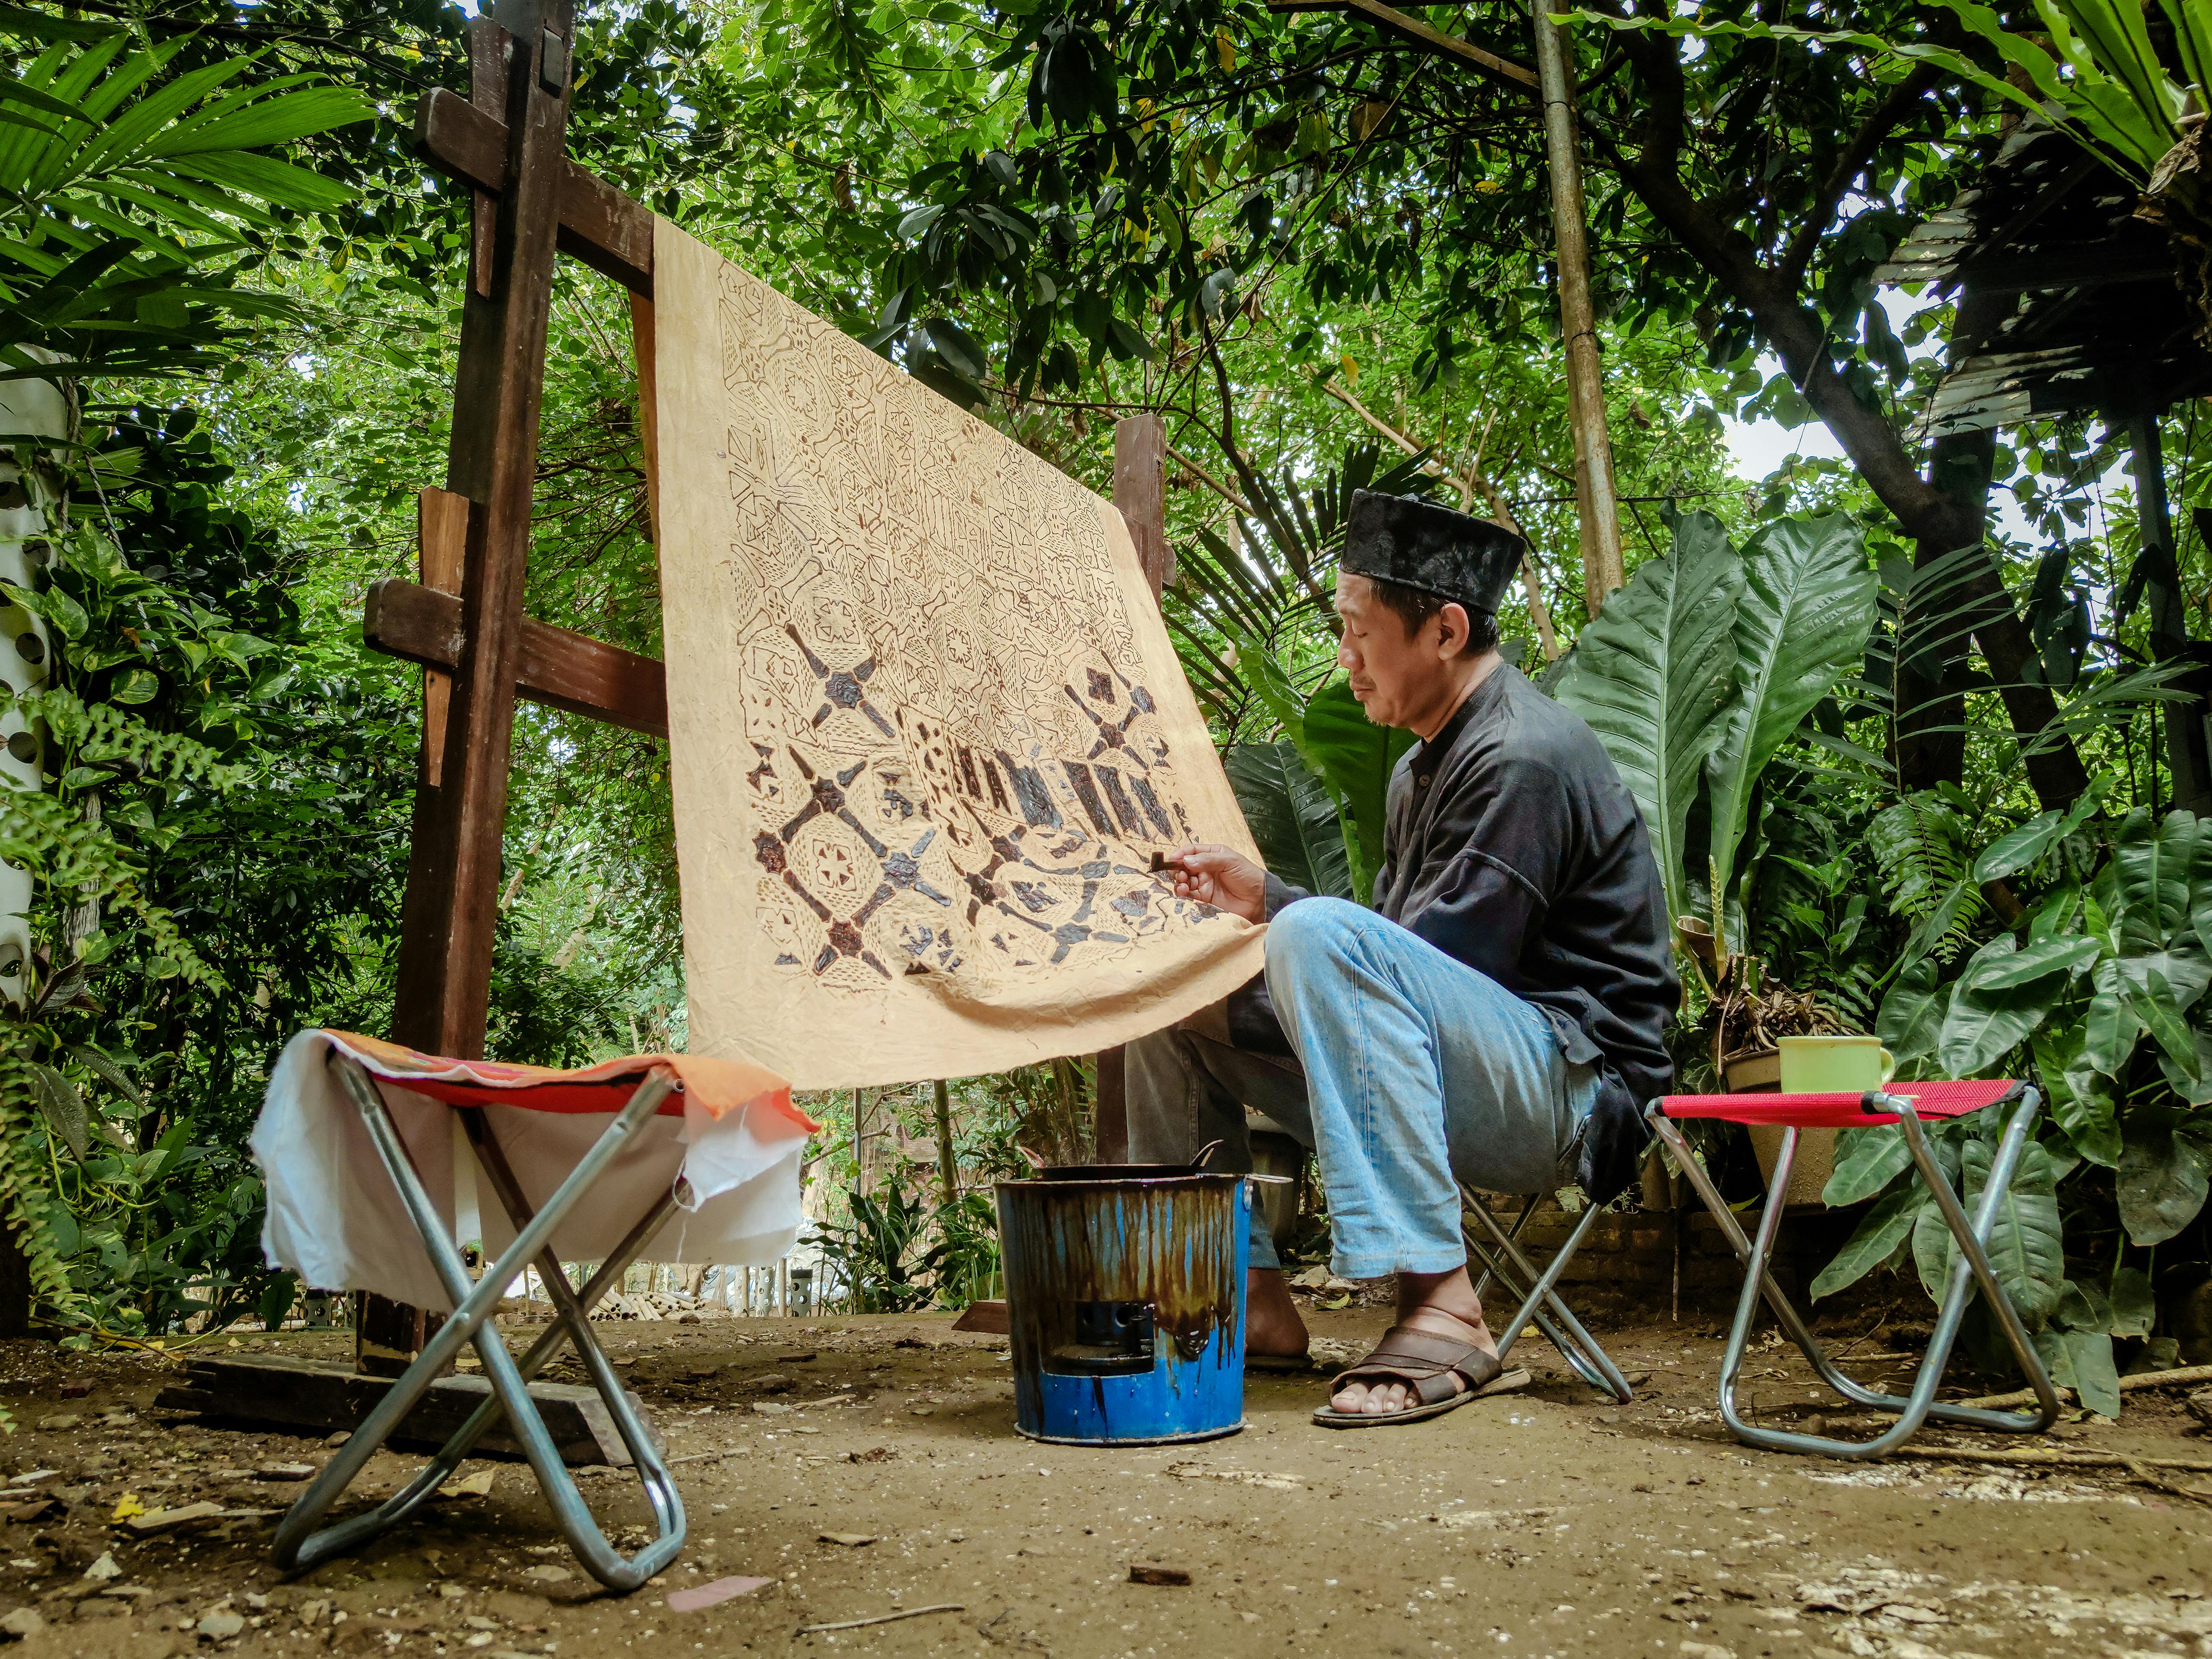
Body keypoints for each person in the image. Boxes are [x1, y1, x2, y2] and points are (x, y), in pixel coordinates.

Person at [1132, 489, 1678, 1427]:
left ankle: (1444, 1304)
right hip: (1454, 1070)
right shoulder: (1417, 766)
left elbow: (1412, 972)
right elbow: (1391, 974)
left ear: (1446, 630)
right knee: (1167, 999)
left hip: (1575, 1093)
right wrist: (1256, 909)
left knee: (1307, 939)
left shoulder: (1521, 757)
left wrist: (1281, 911)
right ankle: (1245, 1295)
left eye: (1357, 632)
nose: (1342, 658)